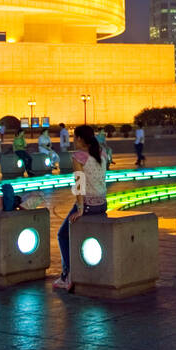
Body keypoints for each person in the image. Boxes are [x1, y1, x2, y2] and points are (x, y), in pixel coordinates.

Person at [55, 125, 108, 291]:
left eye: (74, 137)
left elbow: (80, 186)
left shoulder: (78, 157)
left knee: (63, 234)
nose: (73, 140)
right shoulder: (102, 153)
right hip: (102, 204)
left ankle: (67, 274)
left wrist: (80, 209)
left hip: (88, 206)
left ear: (79, 139)